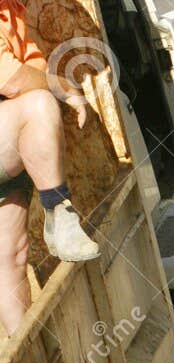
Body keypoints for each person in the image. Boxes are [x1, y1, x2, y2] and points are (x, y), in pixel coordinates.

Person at [0, 2, 100, 334]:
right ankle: (59, 210)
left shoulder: (11, 9)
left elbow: (30, 65)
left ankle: (28, 357)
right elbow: (10, 78)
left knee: (12, 258)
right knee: (38, 107)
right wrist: (63, 88)